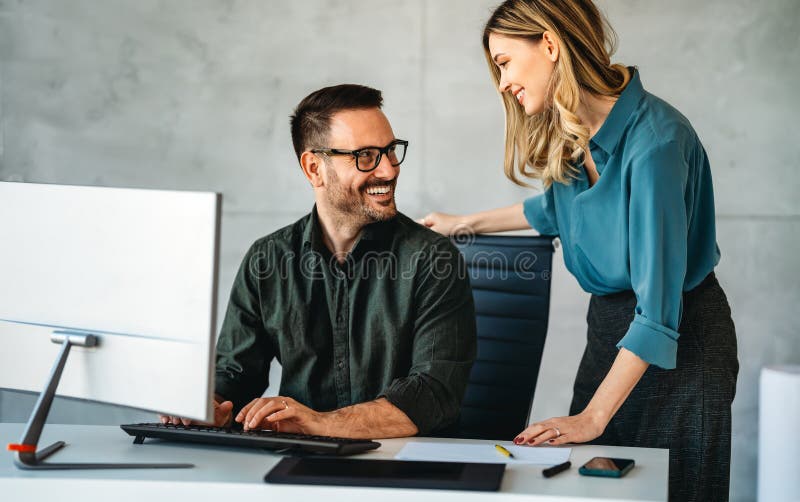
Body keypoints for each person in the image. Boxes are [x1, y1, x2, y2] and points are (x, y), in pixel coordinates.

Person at [420, 1, 738, 500]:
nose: (501, 83)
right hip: (609, 337)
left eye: (504, 62)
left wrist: (593, 416)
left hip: (681, 342)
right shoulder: (574, 135)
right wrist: (464, 222)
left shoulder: (655, 143)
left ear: (549, 43)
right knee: (592, 489)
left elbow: (657, 314)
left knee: (677, 492)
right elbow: (553, 210)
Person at [164, 84, 477, 439]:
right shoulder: (267, 259)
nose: (388, 170)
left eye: (391, 151)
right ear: (314, 168)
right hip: (297, 462)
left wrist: (322, 423)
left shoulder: (434, 260)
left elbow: (433, 395)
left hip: (407, 468)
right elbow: (234, 376)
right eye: (366, 156)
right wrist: (204, 408)